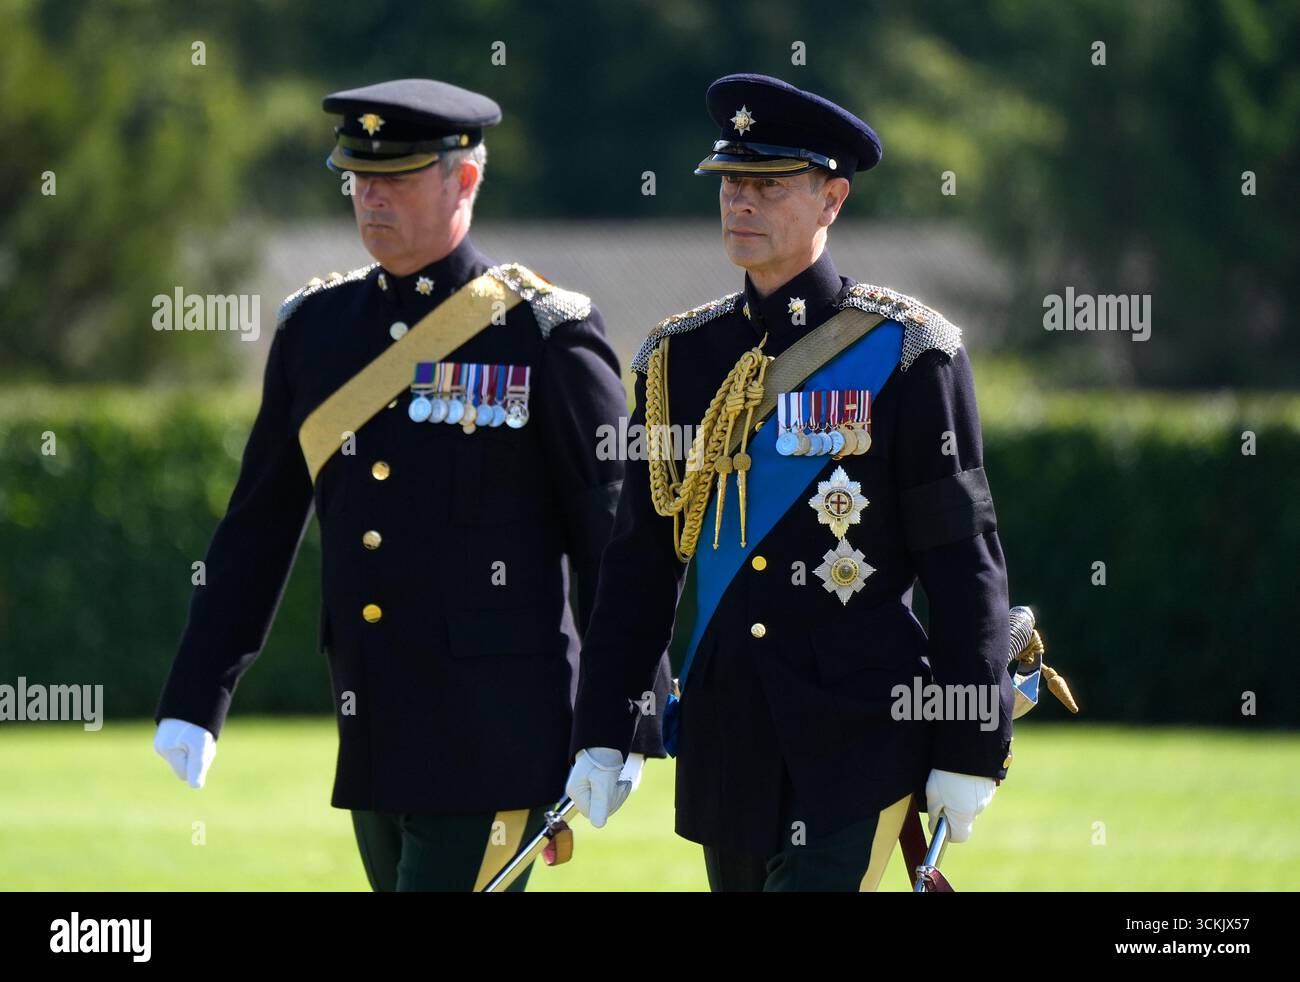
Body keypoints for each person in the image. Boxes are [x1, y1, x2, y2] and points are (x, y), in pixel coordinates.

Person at [152, 77, 668, 892]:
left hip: (501, 738)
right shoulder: (315, 331)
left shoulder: (544, 335)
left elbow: (614, 542)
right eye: (358, 177)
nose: (370, 198)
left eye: (395, 177)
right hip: (376, 727)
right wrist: (198, 690)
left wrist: (623, 719)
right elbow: (258, 524)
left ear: (463, 179)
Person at [566, 73, 1015, 892]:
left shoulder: (911, 353)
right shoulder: (676, 361)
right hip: (726, 743)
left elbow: (962, 562)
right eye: (732, 182)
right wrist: (608, 723)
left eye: (769, 185)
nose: (741, 202)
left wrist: (970, 741)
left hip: (861, 742)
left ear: (831, 199)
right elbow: (640, 561)